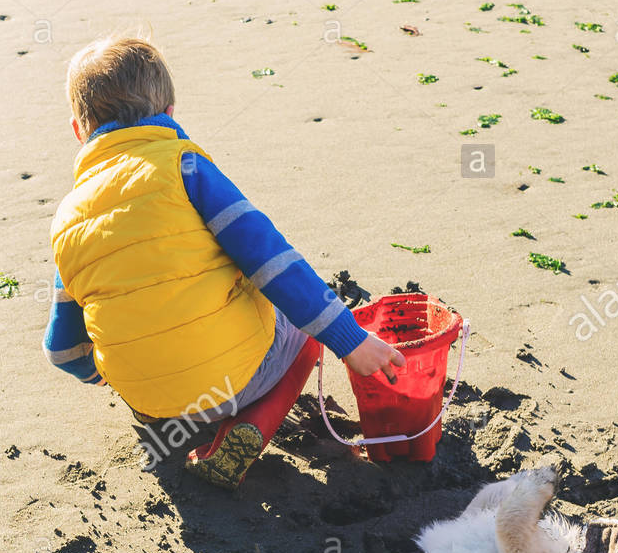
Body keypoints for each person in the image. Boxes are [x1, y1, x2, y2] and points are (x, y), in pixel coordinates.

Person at [45, 37, 403, 489]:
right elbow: (271, 260)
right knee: (303, 334)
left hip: (152, 400)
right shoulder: (184, 167)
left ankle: (167, 401)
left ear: (79, 130)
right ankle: (248, 427)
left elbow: (62, 350)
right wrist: (349, 340)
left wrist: (118, 376)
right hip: (233, 379)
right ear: (170, 113)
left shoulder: (67, 218)